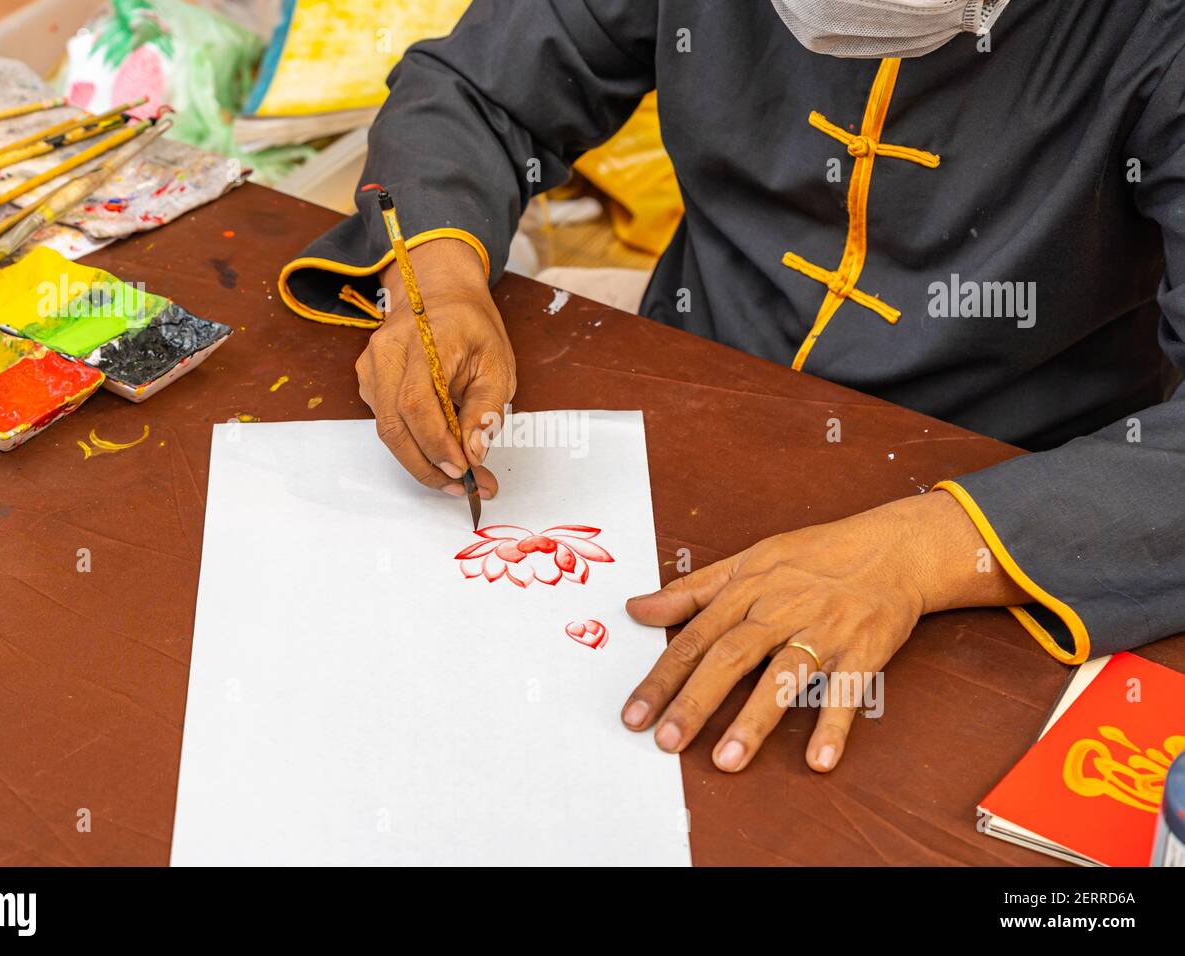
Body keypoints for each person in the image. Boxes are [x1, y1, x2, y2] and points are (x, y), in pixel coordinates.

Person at [277, 0, 1185, 774]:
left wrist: (925, 551)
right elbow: (480, 85)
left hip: (1023, 494)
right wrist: (433, 275)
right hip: (693, 386)